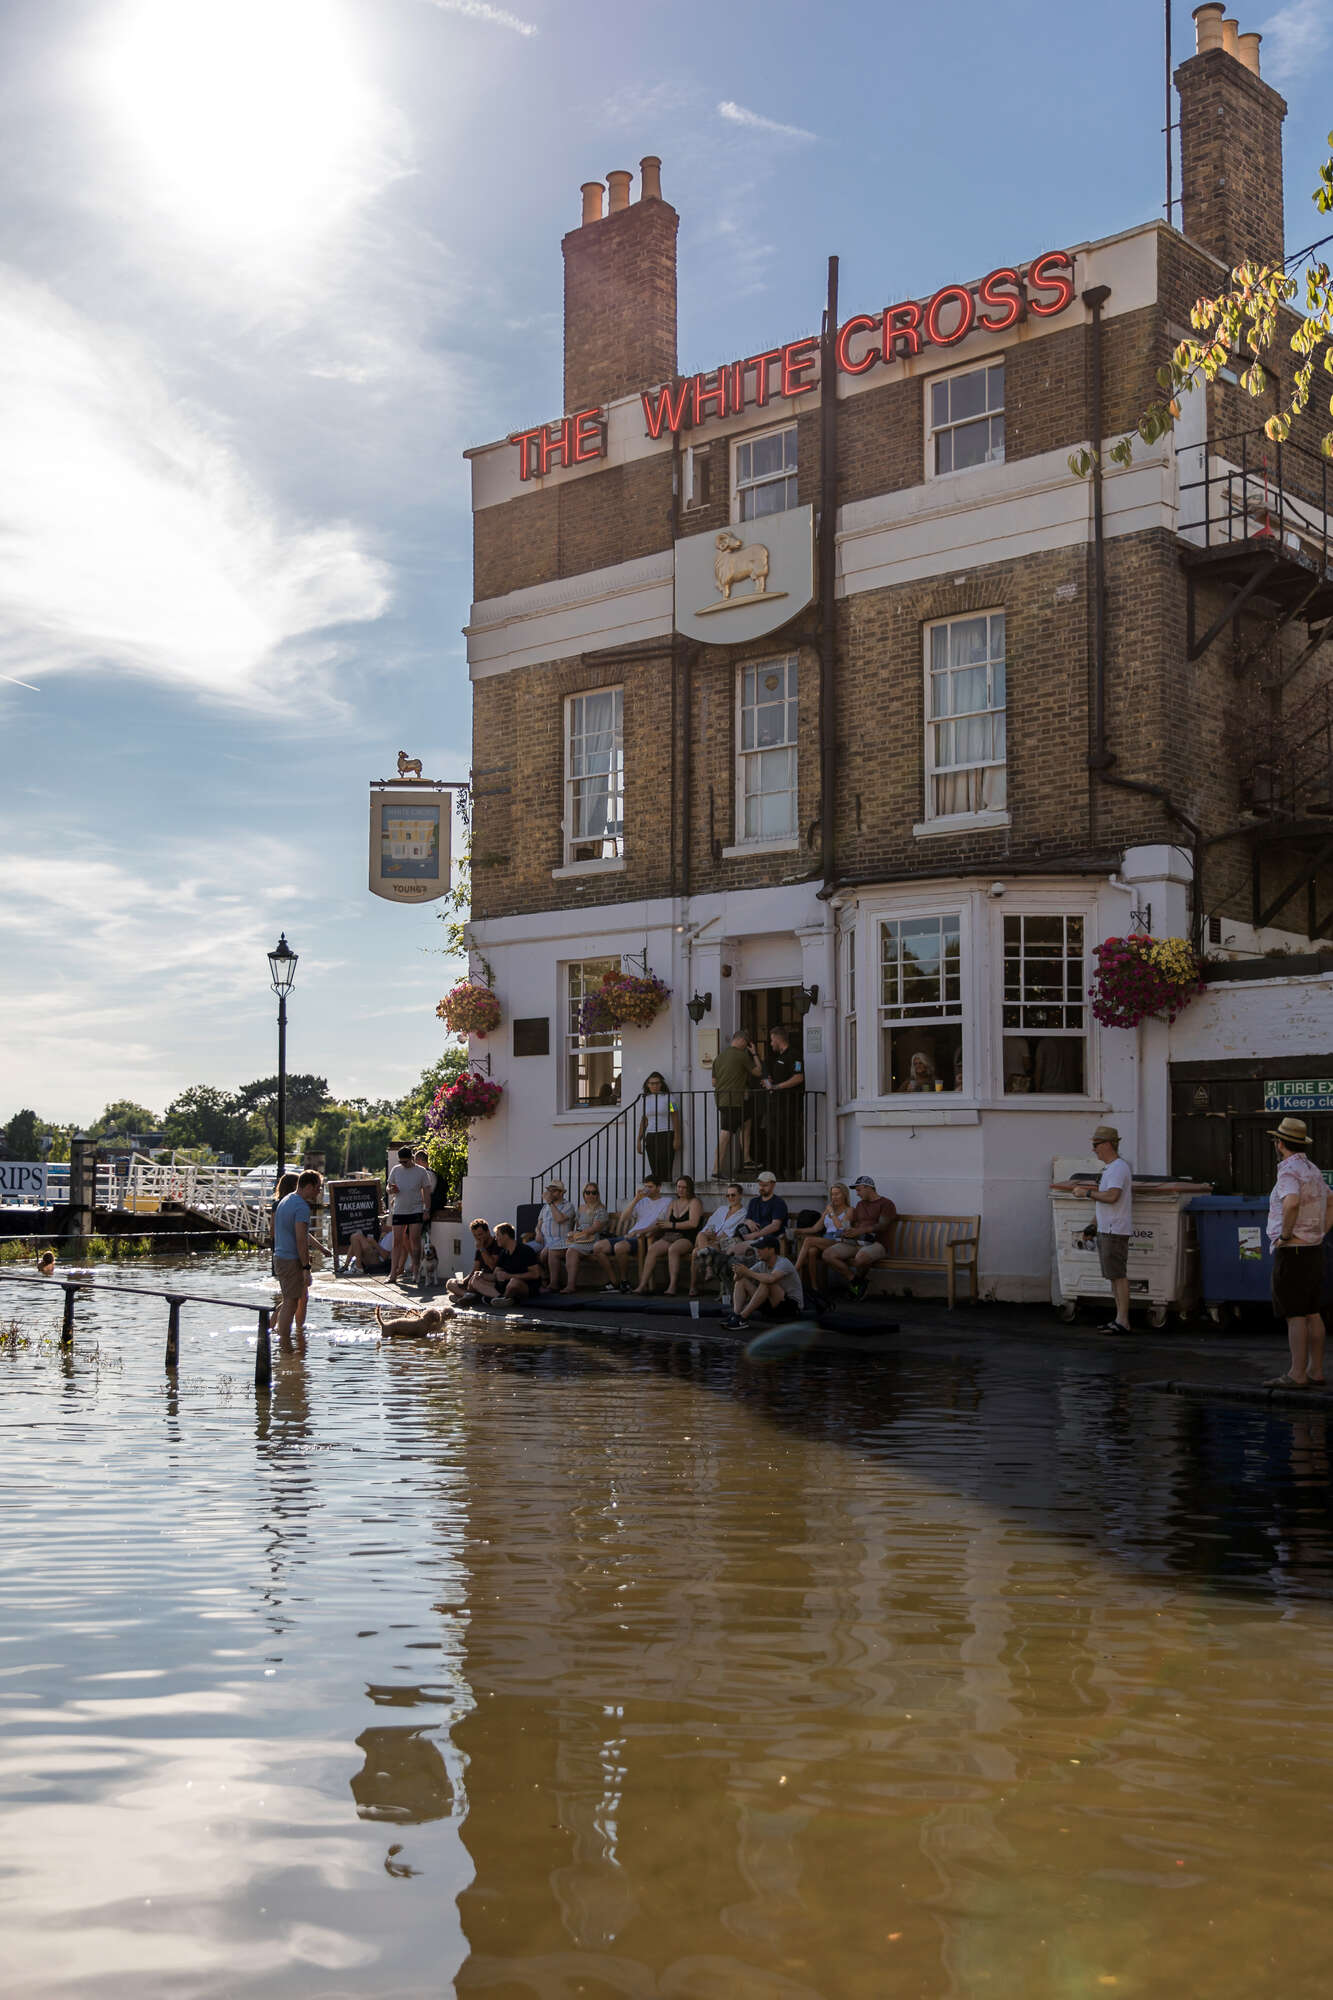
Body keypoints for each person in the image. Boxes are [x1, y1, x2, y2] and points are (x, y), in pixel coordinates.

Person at [1264, 1117, 1333, 1387]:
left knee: (1295, 1314)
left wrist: (1284, 1235)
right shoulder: (1313, 1169)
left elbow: (1290, 1204)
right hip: (1314, 1249)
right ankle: (1316, 1371)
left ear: (1280, 1143)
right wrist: (1321, 1231)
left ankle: (1297, 1373)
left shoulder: (1288, 1171)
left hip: (1293, 1251)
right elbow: (1331, 1201)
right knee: (1313, 1311)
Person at [1054, 1125, 1134, 1334]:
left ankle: (1123, 1321)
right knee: (1114, 1276)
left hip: (1115, 1230)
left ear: (1107, 1144)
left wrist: (1086, 1193)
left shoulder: (1117, 1168)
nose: (1093, 1149)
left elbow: (1112, 1196)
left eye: (1096, 1144)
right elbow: (1105, 1201)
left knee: (1118, 1275)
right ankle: (1119, 1319)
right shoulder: (1111, 1168)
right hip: (1108, 1229)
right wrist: (1093, 1224)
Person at [819, 1174, 898, 1303]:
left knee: (860, 1259)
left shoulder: (886, 1204)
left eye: (859, 1190)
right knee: (828, 1254)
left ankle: (855, 1287)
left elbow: (882, 1226)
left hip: (877, 1243)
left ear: (868, 1188)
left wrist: (861, 1230)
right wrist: (848, 1230)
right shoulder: (861, 1205)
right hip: (857, 1241)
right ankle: (856, 1282)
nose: (857, 1193)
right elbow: (854, 1223)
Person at [596, 1178, 673, 1290]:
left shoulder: (667, 1201)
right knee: (598, 1247)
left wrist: (640, 1231)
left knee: (619, 1247)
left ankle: (624, 1281)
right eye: (646, 1186)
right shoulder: (642, 1201)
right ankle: (614, 1281)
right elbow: (623, 1218)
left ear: (659, 1187)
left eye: (650, 1187)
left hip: (645, 1238)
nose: (647, 1190)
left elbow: (661, 1224)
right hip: (630, 1236)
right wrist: (636, 1199)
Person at [273, 1170, 322, 1344]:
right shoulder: (301, 1206)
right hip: (290, 1259)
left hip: (280, 1256)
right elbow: (301, 1239)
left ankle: (282, 1338)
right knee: (291, 1303)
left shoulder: (285, 1200)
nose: (319, 1192)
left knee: (289, 1300)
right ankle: (284, 1345)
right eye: (317, 1188)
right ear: (308, 1186)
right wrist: (306, 1268)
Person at [636, 1176, 703, 1295]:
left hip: (687, 1237)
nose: (681, 1190)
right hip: (670, 1235)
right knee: (652, 1249)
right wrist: (646, 1229)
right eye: (679, 1187)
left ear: (689, 1188)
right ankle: (642, 1285)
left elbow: (693, 1223)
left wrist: (672, 1225)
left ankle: (672, 1285)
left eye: (684, 1187)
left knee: (673, 1249)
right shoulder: (673, 1203)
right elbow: (664, 1222)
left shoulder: (694, 1202)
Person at [721, 1238, 804, 1330]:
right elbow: (737, 1279)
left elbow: (771, 1279)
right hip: (772, 1304)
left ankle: (742, 1318)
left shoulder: (783, 1263)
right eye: (757, 1248)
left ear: (771, 1250)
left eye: (760, 1248)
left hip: (791, 1307)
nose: (757, 1251)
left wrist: (747, 1272)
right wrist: (738, 1272)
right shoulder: (761, 1264)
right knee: (742, 1281)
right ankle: (736, 1315)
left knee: (766, 1282)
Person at [711, 1031, 762, 1176]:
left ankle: (746, 1159)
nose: (747, 1046)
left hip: (722, 1099)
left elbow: (714, 1082)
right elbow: (758, 1072)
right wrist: (755, 1054)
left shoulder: (719, 1057)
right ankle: (716, 1169)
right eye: (747, 1043)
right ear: (741, 1040)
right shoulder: (742, 1055)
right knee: (726, 1134)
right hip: (733, 1101)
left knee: (747, 1121)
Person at [794, 1181, 855, 1298]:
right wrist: (798, 1231)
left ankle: (795, 1269)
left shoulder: (849, 1210)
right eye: (832, 1194)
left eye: (837, 1194)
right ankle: (815, 1288)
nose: (834, 1197)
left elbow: (841, 1228)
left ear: (844, 1195)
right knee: (812, 1251)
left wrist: (832, 1213)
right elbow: (816, 1228)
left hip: (839, 1240)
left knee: (809, 1241)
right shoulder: (828, 1211)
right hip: (826, 1240)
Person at [387, 1146, 435, 1286]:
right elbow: (388, 1187)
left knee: (414, 1240)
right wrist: (391, 1189)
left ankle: (416, 1271)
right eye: (401, 1162)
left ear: (412, 1159)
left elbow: (426, 1191)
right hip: (399, 1209)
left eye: (406, 1162)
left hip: (415, 1209)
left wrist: (427, 1209)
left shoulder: (421, 1172)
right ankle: (393, 1273)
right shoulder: (396, 1170)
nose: (403, 1164)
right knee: (397, 1241)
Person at [691, 1182, 750, 1296]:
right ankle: (708, 1268)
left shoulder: (744, 1213)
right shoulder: (721, 1209)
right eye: (728, 1195)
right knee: (701, 1235)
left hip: (726, 1243)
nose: (730, 1198)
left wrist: (714, 1237)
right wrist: (709, 1235)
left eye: (733, 1195)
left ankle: (693, 1287)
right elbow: (708, 1227)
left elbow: (729, 1234)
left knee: (695, 1252)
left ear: (740, 1196)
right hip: (710, 1241)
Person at [763, 1026, 805, 1179]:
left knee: (788, 1139)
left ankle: (790, 1172)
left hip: (789, 1106)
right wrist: (769, 1082)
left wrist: (777, 1086)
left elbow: (798, 1077)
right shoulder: (777, 1058)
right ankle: (777, 1173)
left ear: (779, 1039)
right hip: (775, 1106)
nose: (771, 1043)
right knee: (775, 1139)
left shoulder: (794, 1055)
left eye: (772, 1040)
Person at [561, 1183, 612, 1292]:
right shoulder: (581, 1208)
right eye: (587, 1192)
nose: (590, 1195)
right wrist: (573, 1234)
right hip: (580, 1238)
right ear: (583, 1194)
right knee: (555, 1250)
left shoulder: (600, 1209)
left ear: (597, 1195)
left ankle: (570, 1286)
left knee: (571, 1250)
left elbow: (594, 1229)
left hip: (593, 1239)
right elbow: (578, 1226)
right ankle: (552, 1282)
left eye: (594, 1192)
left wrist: (577, 1235)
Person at [637, 1073, 680, 1186]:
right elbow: (644, 1119)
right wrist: (639, 1140)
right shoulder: (645, 1099)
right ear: (648, 1085)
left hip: (666, 1134)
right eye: (652, 1083)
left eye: (657, 1083)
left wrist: (677, 1137)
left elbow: (675, 1115)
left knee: (665, 1167)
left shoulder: (670, 1098)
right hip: (651, 1136)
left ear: (661, 1084)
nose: (654, 1086)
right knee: (654, 1167)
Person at [529, 1181, 574, 1289]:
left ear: (561, 1193)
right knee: (525, 1250)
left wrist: (550, 1203)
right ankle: (538, 1277)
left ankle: (551, 1282)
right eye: (549, 1190)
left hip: (560, 1241)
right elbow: (538, 1225)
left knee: (545, 1254)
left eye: (553, 1191)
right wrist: (538, 1233)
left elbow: (559, 1219)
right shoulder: (545, 1207)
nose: (550, 1193)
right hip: (544, 1240)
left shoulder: (568, 1206)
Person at [447, 1219, 501, 1303]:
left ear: (487, 1232)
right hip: (477, 1278)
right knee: (450, 1282)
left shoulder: (496, 1244)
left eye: (480, 1234)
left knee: (474, 1281)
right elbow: (475, 1269)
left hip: (489, 1280)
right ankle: (466, 1295)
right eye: (475, 1236)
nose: (478, 1238)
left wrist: (482, 1249)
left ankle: (462, 1296)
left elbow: (492, 1265)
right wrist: (463, 1281)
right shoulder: (479, 1246)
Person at [736, 1171, 788, 1252]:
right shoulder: (754, 1201)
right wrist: (749, 1222)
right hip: (750, 1237)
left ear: (773, 1185)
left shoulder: (778, 1203)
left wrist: (755, 1235)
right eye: (760, 1185)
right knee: (726, 1244)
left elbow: (775, 1226)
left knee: (735, 1249)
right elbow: (747, 1219)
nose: (761, 1188)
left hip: (768, 1240)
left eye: (765, 1185)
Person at [493, 1223, 543, 1304]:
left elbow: (535, 1274)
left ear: (505, 1236)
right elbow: (495, 1273)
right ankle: (502, 1298)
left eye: (498, 1235)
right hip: (506, 1285)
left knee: (514, 1282)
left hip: (525, 1286)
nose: (496, 1238)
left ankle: (502, 1298)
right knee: (477, 1280)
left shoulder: (525, 1250)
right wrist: (482, 1275)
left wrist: (509, 1276)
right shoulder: (503, 1252)